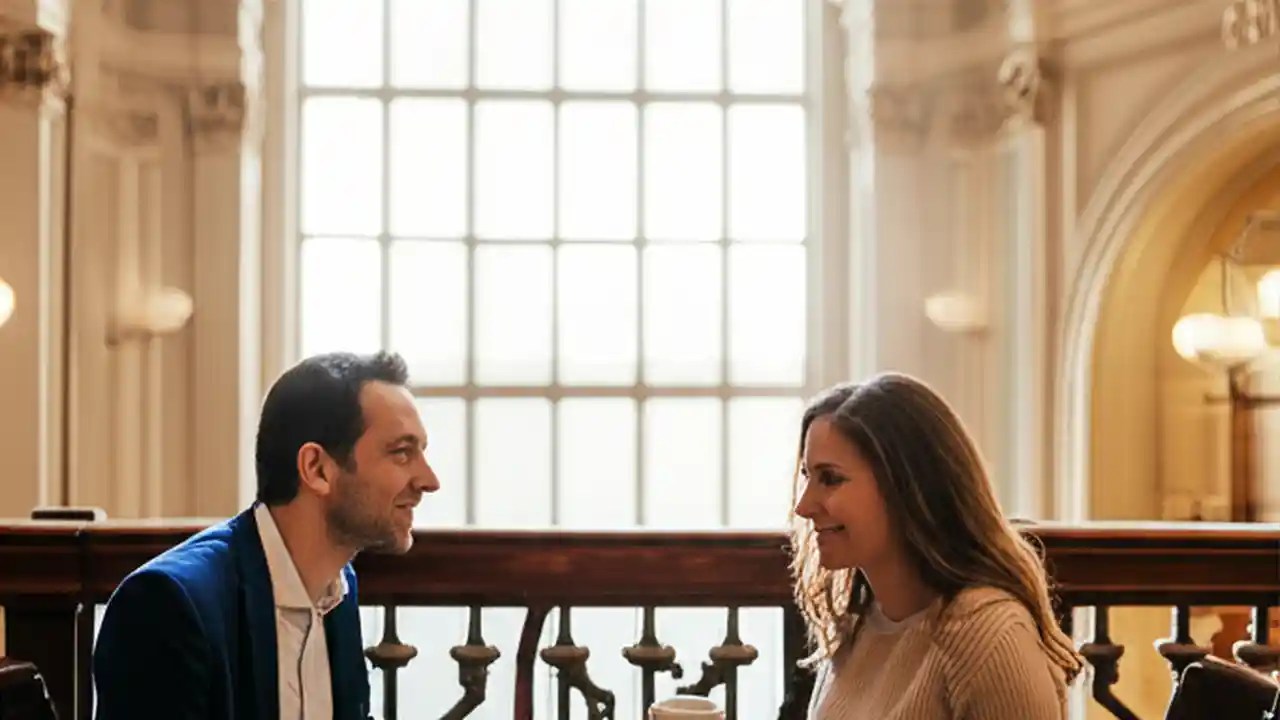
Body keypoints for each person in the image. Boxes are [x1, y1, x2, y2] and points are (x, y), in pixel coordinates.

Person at [93, 351, 440, 720]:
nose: (429, 480)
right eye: (402, 453)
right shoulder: (168, 604)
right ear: (316, 468)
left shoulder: (338, 587)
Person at [792, 373, 1081, 719]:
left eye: (831, 478)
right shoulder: (855, 626)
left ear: (907, 486)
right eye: (808, 477)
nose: (804, 506)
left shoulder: (988, 635)